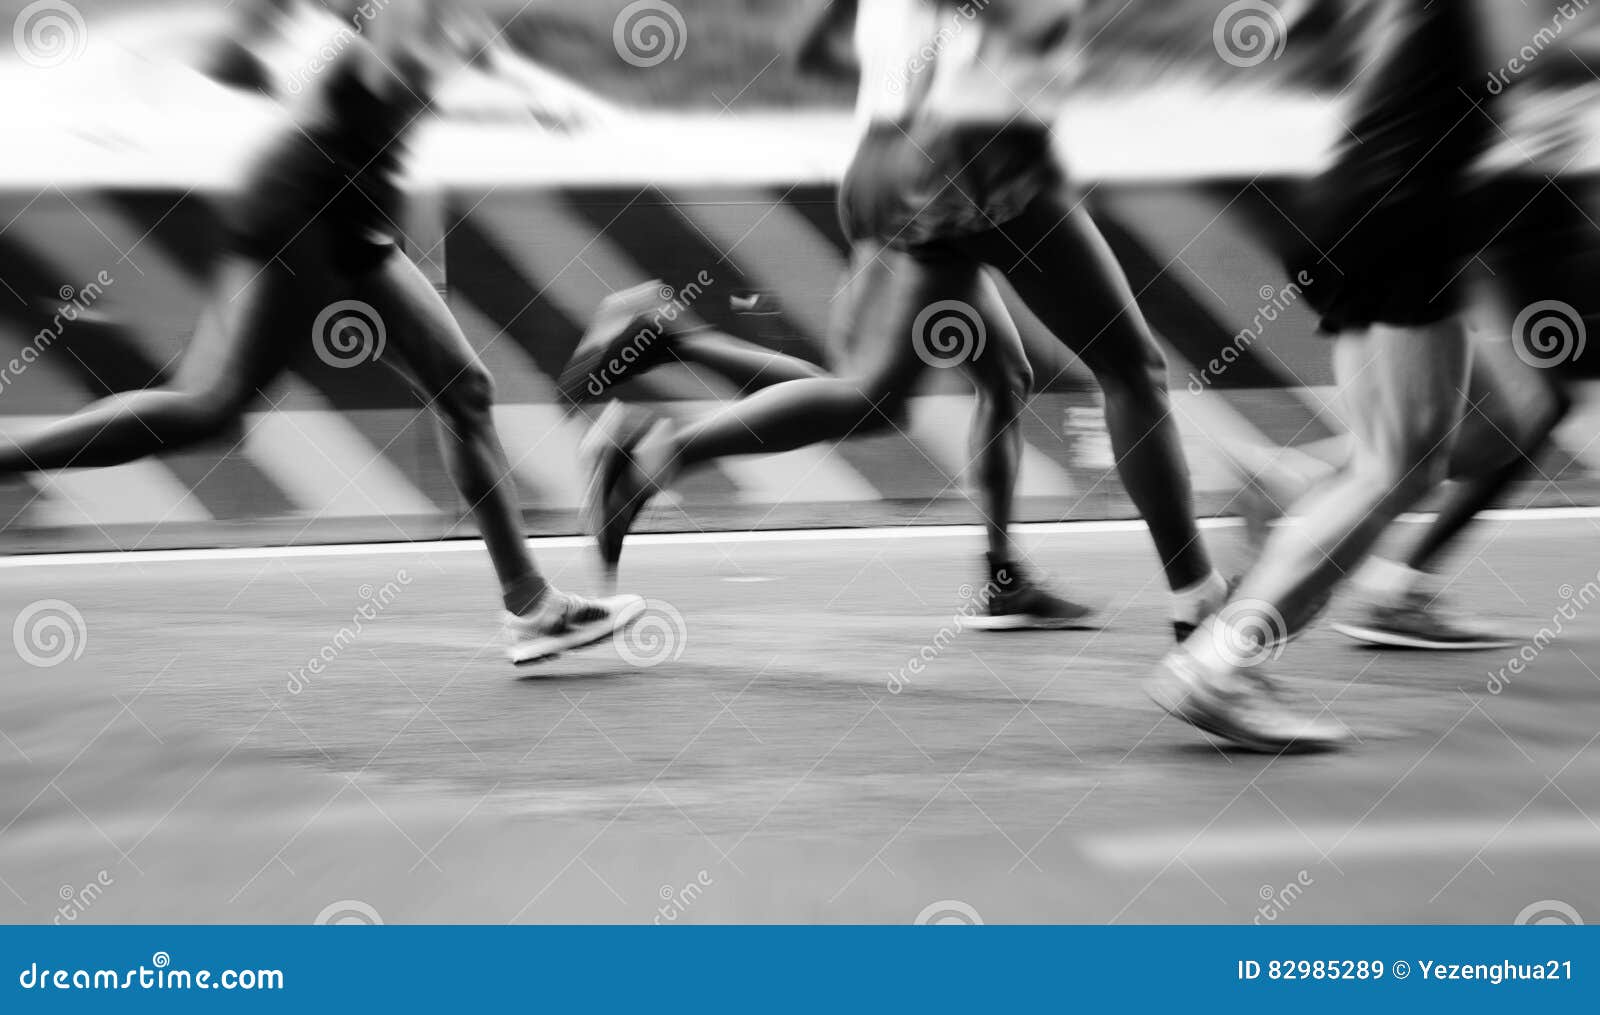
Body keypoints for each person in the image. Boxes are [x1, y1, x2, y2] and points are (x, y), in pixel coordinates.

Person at [0, 0, 644, 666]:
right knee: (210, 404)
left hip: (355, 215)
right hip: (303, 205)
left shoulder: (442, 16)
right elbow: (403, 60)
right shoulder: (408, 16)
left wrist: (529, 86)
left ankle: (532, 607)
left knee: (465, 391)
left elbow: (461, 45)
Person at [582, 0, 1228, 636]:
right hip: (979, 152)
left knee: (965, 381)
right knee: (1131, 371)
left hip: (884, 160)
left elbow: (811, 41)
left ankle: (1004, 579)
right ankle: (1198, 603)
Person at [1148, 0, 1530, 750]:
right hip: (1400, 209)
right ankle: (1222, 664)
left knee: (1453, 446)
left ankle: (1290, 491)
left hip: (1378, 200)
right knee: (1402, 466)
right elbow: (1533, 61)